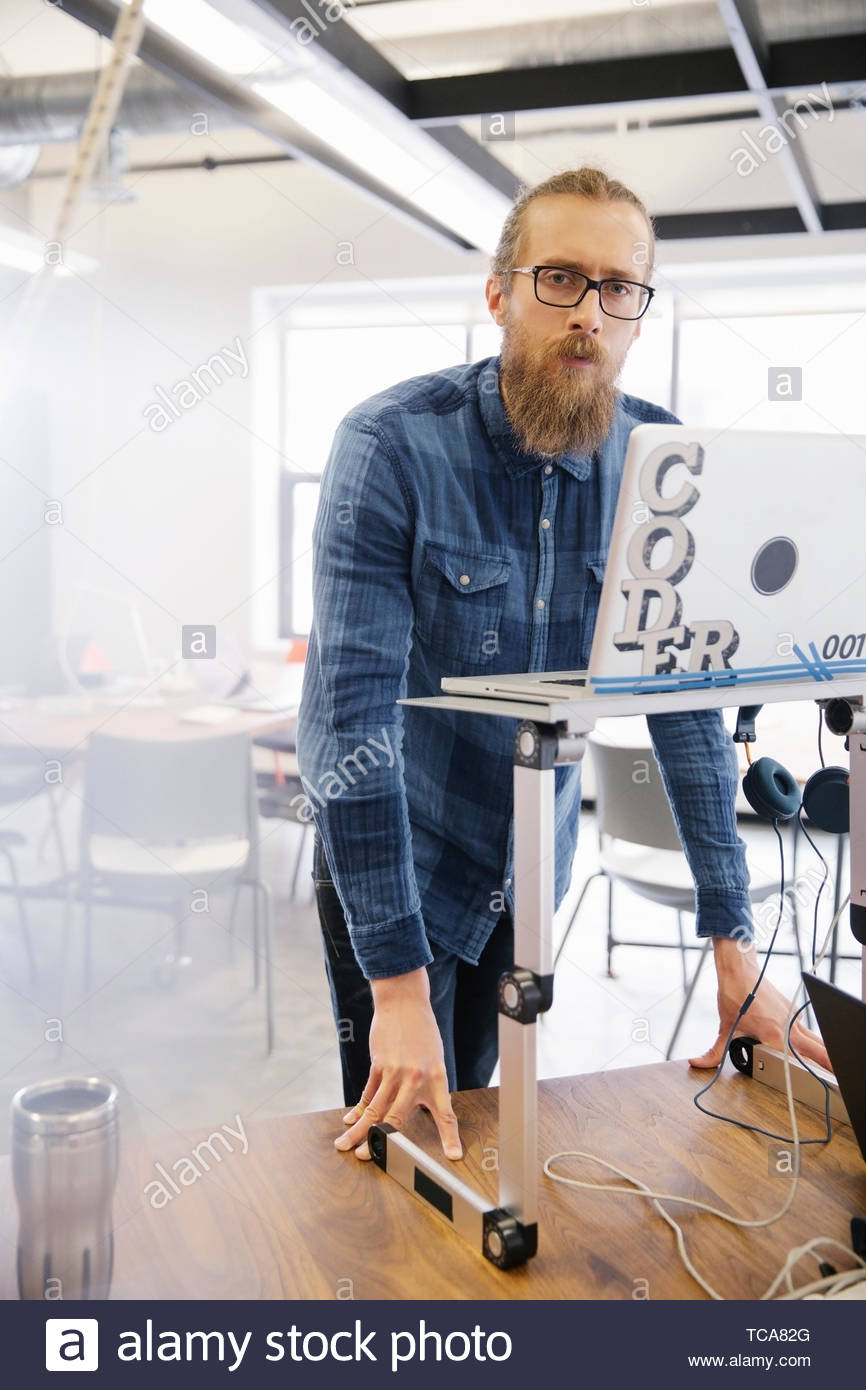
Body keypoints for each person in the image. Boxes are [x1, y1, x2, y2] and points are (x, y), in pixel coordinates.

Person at [297, 167, 830, 1163]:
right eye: (558, 278)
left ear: (638, 313)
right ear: (497, 294)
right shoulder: (390, 446)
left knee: (475, 1117)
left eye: (617, 288)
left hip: (526, 867)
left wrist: (732, 945)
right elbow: (345, 726)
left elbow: (685, 708)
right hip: (394, 853)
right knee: (403, 1141)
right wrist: (399, 988)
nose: (588, 314)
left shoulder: (658, 456)